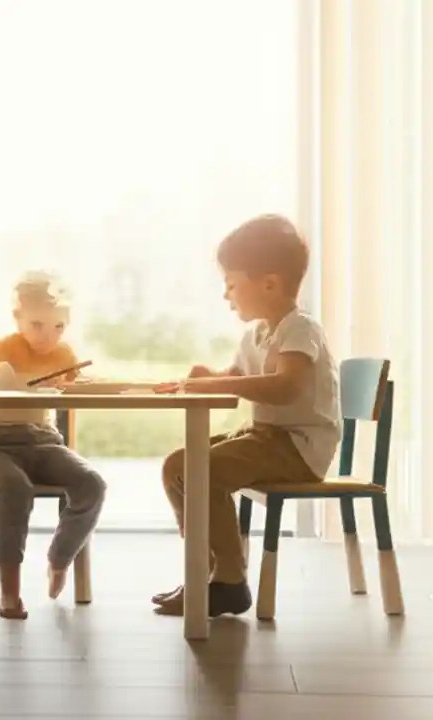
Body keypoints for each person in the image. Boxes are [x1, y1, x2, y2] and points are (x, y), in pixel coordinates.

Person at [153, 214, 341, 618]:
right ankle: (205, 571)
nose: (227, 296)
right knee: (176, 466)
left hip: (298, 448)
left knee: (201, 470)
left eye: (232, 284)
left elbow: (286, 386)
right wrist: (210, 377)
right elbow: (237, 378)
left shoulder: (300, 329)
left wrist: (220, 386)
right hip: (267, 437)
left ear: (269, 284)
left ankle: (230, 582)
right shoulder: (255, 334)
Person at [0, 272, 107, 619]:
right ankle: (9, 592)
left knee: (92, 484)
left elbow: (76, 392)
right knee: (15, 488)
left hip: (43, 442)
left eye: (59, 326)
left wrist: (72, 387)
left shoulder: (65, 354)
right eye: (38, 324)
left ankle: (59, 558)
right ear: (17, 319)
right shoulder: (3, 349)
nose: (49, 336)